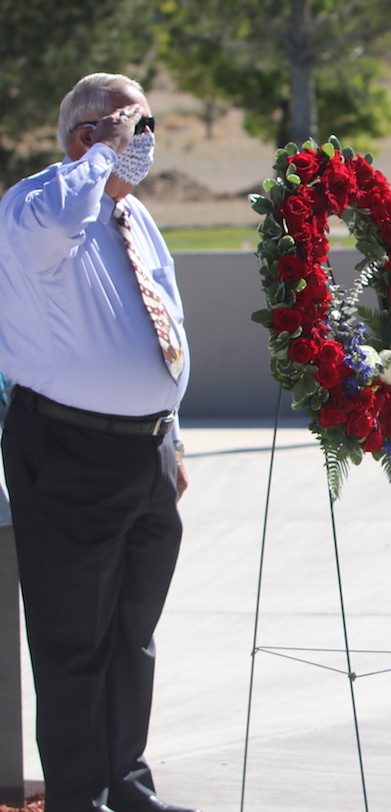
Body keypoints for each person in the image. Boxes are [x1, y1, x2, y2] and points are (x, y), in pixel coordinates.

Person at [0, 73, 199, 812]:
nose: (146, 142)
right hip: (68, 448)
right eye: (133, 127)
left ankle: (127, 785)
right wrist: (100, 155)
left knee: (131, 636)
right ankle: (78, 798)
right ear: (87, 133)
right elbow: (55, 225)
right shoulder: (37, 204)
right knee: (73, 643)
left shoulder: (132, 215)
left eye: (147, 128)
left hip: (146, 454)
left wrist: (173, 436)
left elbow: (163, 320)